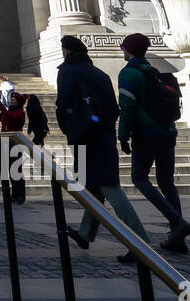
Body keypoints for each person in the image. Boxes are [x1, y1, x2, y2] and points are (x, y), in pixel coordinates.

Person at [55, 36, 149, 263]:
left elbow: (64, 104)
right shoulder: (101, 74)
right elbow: (114, 109)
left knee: (109, 187)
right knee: (93, 186)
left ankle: (140, 243)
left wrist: (69, 129)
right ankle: (86, 233)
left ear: (66, 52)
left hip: (84, 137)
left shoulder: (67, 72)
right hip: (104, 134)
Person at [118, 33, 190, 253]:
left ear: (129, 50)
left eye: (124, 47)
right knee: (166, 181)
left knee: (139, 177)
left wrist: (123, 135)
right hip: (168, 131)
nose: (122, 50)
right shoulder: (155, 72)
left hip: (146, 133)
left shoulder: (130, 73)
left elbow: (128, 107)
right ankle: (177, 236)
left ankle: (177, 223)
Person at [0, 91, 28, 204]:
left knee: (16, 170)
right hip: (4, 142)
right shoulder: (8, 111)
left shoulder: (20, 112)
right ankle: (13, 194)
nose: (12, 100)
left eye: (14, 99)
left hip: (15, 143)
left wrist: (1, 106)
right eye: (11, 98)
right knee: (6, 169)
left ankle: (20, 194)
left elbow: (11, 118)